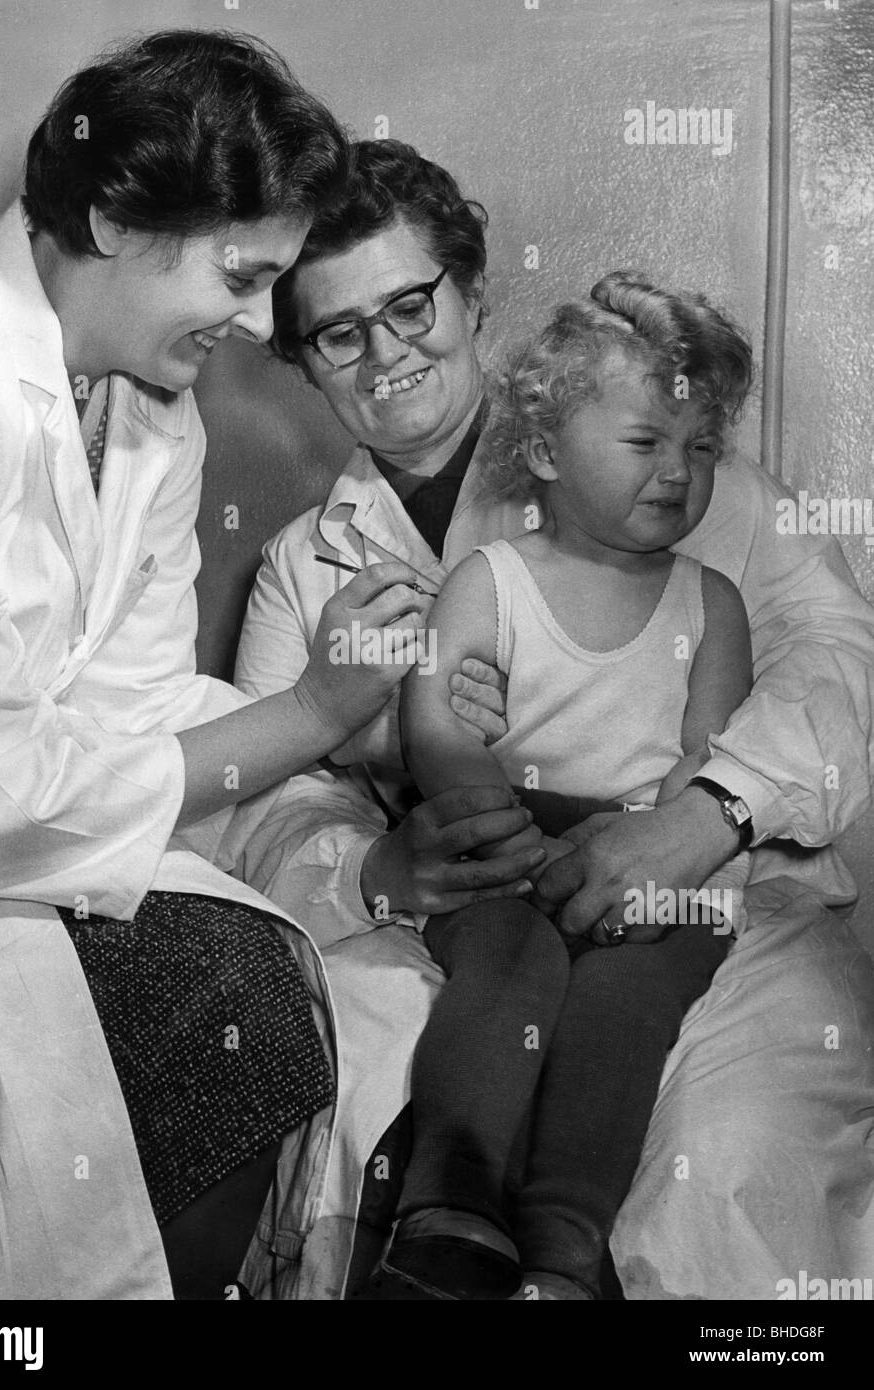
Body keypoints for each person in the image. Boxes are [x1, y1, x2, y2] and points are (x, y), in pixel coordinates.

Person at [0, 31, 536, 1303]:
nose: (257, 325)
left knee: (261, 1006)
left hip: (13, 840)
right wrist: (317, 709)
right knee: (194, 1010)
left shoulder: (146, 407)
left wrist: (325, 764)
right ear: (121, 215)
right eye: (246, 277)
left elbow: (137, 705)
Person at [235, 138, 874, 1300]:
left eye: (412, 303)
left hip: (732, 915)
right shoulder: (302, 571)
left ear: (473, 295)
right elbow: (259, 812)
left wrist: (704, 813)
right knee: (380, 1131)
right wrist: (379, 868)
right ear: (304, 365)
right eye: (339, 332)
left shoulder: (680, 474)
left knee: (710, 1181)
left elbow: (846, 661)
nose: (386, 352)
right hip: (470, 925)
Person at [384, 272, 754, 1300]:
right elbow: (440, 727)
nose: (678, 472)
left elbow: (705, 758)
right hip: (506, 838)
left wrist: (646, 857)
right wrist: (502, 830)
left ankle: (561, 1247)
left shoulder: (709, 601)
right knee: (505, 965)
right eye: (646, 443)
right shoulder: (489, 579)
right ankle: (451, 1206)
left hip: (643, 856)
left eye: (701, 449)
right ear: (546, 453)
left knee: (623, 1007)